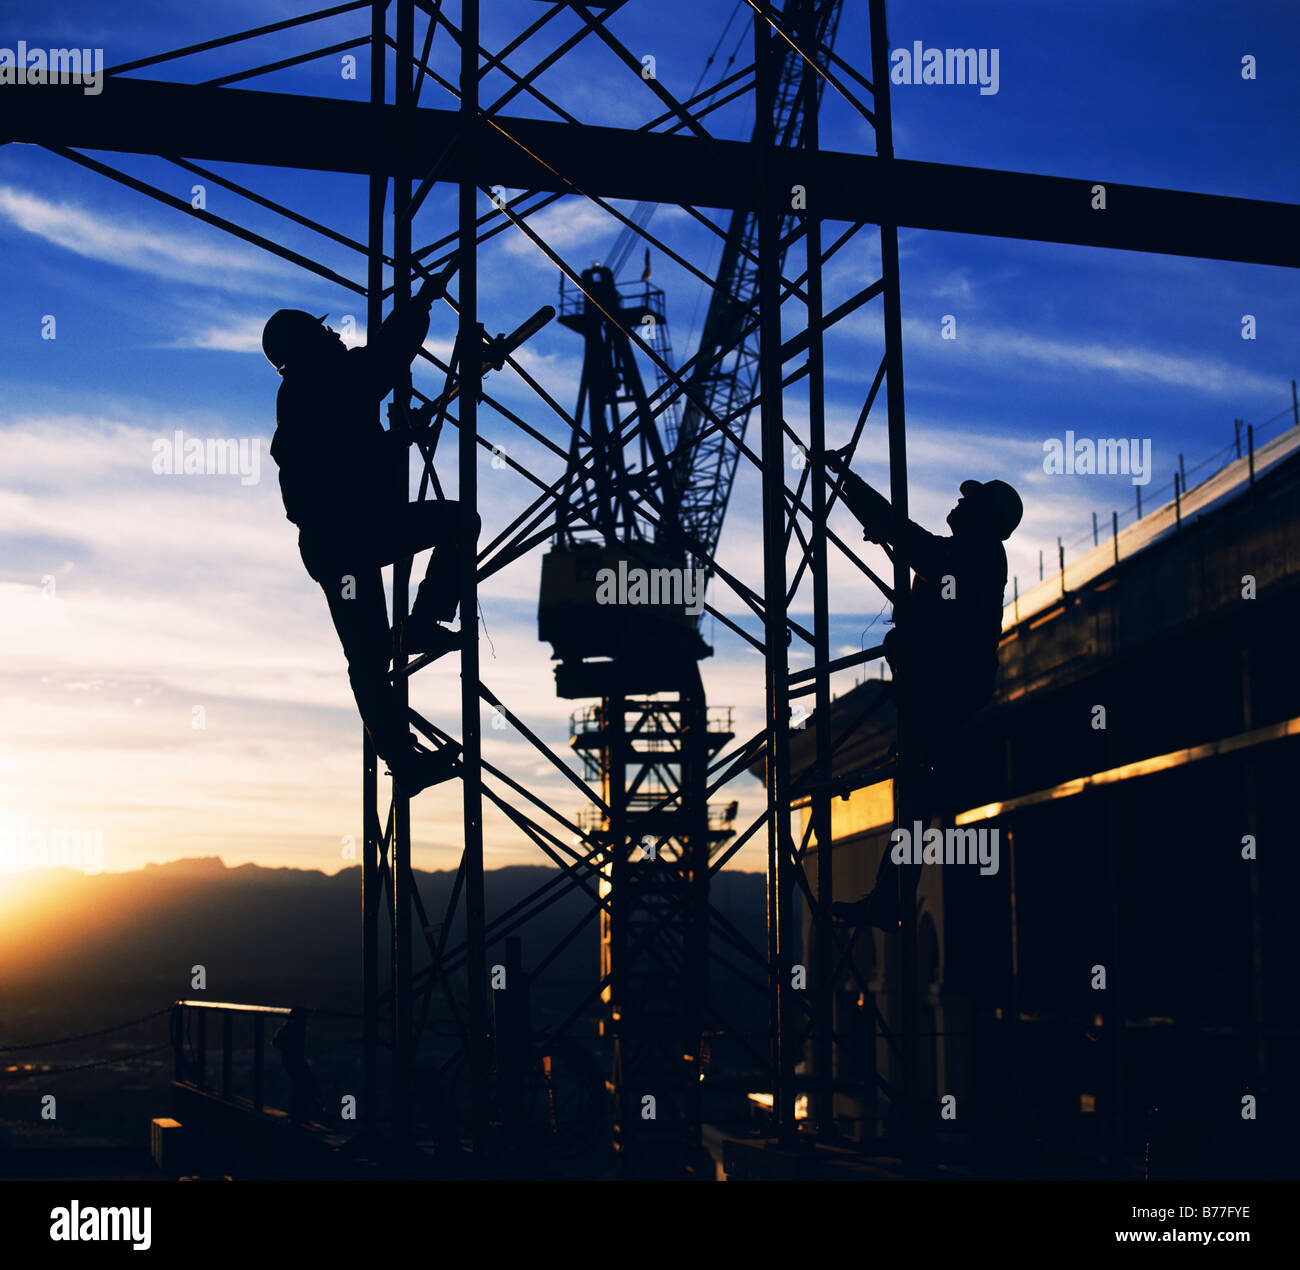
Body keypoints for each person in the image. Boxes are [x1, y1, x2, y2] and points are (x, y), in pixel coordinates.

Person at [263, 276, 473, 796]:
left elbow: (347, 457)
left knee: (368, 659)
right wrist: (420, 305)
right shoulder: (326, 379)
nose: (336, 337)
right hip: (354, 534)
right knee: (458, 522)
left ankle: (406, 762)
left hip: (335, 543)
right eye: (325, 332)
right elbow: (384, 358)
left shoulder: (302, 395)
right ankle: (424, 621)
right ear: (309, 344)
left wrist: (396, 439)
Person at [824, 454, 1022, 930]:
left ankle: (895, 900)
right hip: (940, 692)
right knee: (916, 795)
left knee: (918, 794)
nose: (958, 501)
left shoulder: (974, 554)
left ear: (985, 518)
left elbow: (914, 543)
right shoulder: (969, 555)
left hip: (947, 694)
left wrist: (849, 485)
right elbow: (912, 544)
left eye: (968, 501)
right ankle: (891, 898)